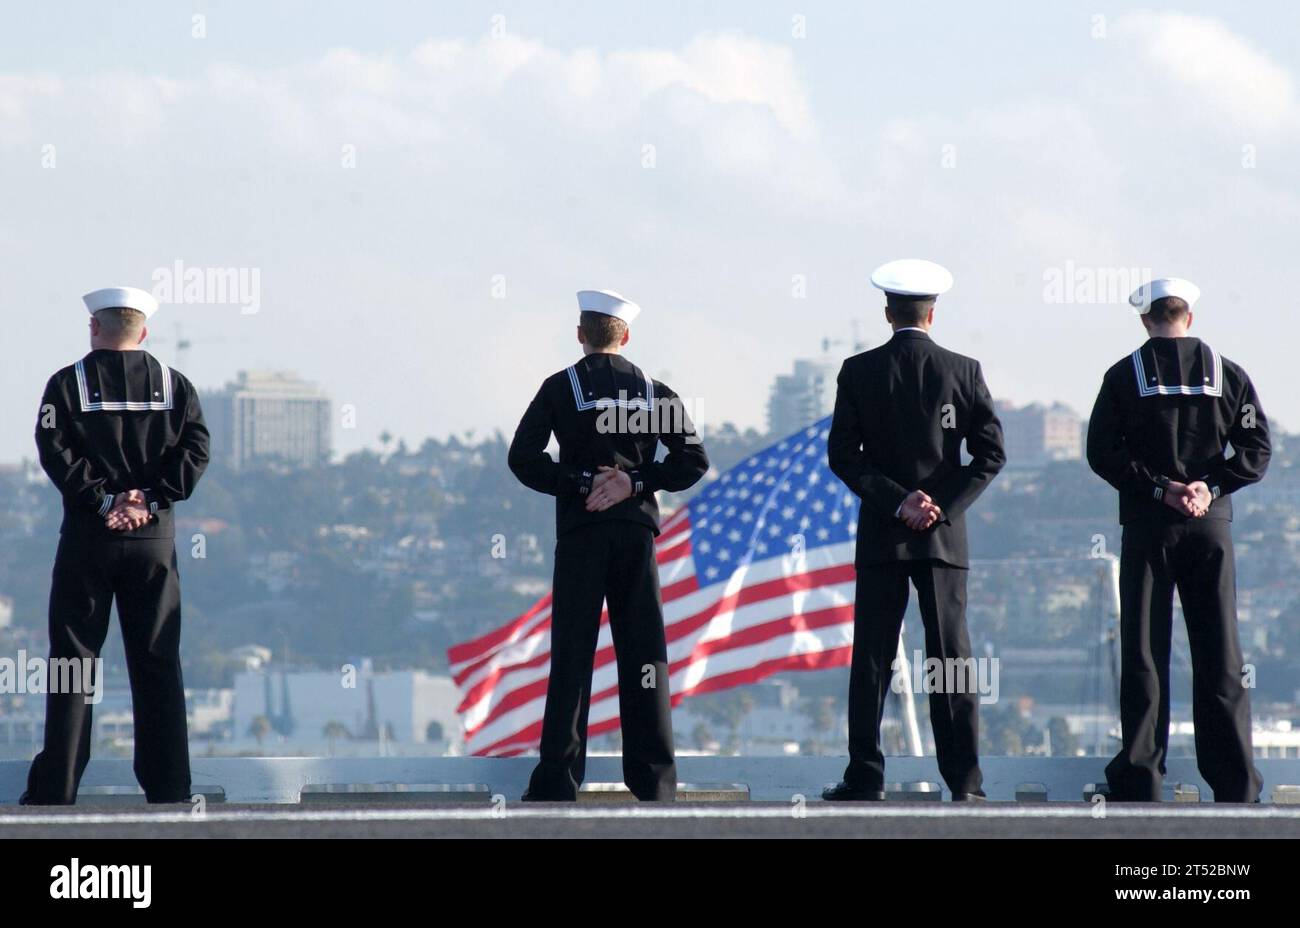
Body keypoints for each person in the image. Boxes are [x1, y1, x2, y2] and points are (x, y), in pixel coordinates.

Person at [508, 289, 708, 801]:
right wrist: (635, 482)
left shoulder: (559, 388)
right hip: (636, 535)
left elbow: (523, 458)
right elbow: (692, 461)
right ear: (627, 336)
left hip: (581, 534)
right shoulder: (653, 390)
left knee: (572, 654)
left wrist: (580, 483)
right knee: (645, 656)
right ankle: (655, 779)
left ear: (580, 334)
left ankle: (556, 779)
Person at [823, 259, 1005, 802]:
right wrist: (938, 506)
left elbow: (842, 456)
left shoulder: (858, 372)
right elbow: (990, 455)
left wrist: (899, 501)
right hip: (942, 540)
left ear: (887, 312)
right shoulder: (964, 370)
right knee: (950, 660)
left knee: (872, 660)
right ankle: (965, 782)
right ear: (933, 313)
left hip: (883, 532)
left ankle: (865, 776)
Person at [22, 287, 210, 805]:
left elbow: (53, 452)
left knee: (73, 662)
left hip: (88, 540)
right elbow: (196, 452)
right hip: (153, 543)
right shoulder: (176, 385)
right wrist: (148, 500)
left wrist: (104, 502)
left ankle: (57, 788)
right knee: (156, 661)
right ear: (144, 331)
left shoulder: (66, 385)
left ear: (93, 327)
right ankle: (170, 787)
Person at [1088, 277, 1268, 802]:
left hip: (1149, 525)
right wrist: (1208, 487)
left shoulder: (1123, 376)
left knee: (1145, 651)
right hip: (1211, 527)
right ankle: (1236, 782)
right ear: (1189, 317)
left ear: (1145, 320)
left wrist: (1160, 488)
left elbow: (1102, 452)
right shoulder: (1229, 375)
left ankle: (1140, 775)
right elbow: (1256, 449)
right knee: (1221, 654)